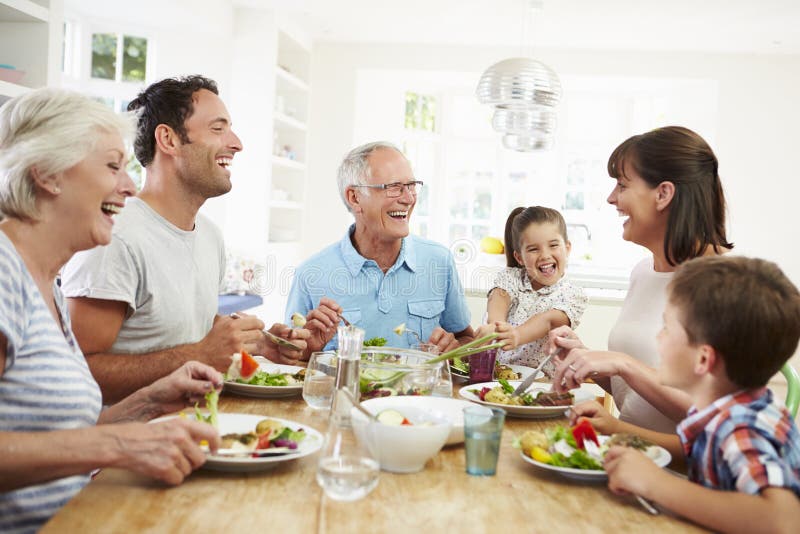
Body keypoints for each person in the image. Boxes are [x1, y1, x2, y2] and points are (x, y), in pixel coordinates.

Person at [0, 88, 223, 533]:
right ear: (47, 173)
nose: (129, 185)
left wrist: (146, 403)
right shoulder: (4, 272)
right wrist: (118, 444)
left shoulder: (46, 284)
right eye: (111, 166)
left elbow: (57, 436)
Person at [61, 75, 308, 403]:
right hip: (129, 442)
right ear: (168, 139)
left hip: (194, 428)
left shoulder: (209, 236)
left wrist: (259, 344)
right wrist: (201, 354)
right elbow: (78, 371)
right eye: (218, 129)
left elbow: (185, 331)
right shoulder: (115, 236)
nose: (236, 143)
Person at [573, 256, 800, 532]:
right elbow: (694, 452)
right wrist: (619, 431)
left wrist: (657, 484)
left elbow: (783, 520)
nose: (658, 337)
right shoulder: (723, 409)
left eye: (667, 327)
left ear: (704, 360)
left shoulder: (742, 425)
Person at [549, 126, 733, 433]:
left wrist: (623, 363)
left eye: (622, 185)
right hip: (626, 458)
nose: (611, 198)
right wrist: (588, 360)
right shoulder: (643, 271)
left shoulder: (724, 286)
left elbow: (713, 421)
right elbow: (636, 398)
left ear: (663, 194)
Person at [285, 141, 474, 358]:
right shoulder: (310, 273)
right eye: (393, 187)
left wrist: (456, 349)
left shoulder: (439, 260)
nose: (408, 198)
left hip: (419, 392)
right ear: (354, 197)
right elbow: (289, 359)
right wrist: (308, 350)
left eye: (411, 185)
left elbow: (466, 339)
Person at [475, 206, 587, 376]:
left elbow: (549, 320)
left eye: (553, 245)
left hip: (541, 384)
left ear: (567, 248)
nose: (545, 255)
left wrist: (517, 336)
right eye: (534, 249)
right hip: (495, 378)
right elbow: (498, 298)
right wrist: (495, 326)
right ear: (519, 257)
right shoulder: (511, 277)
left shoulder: (573, 294)